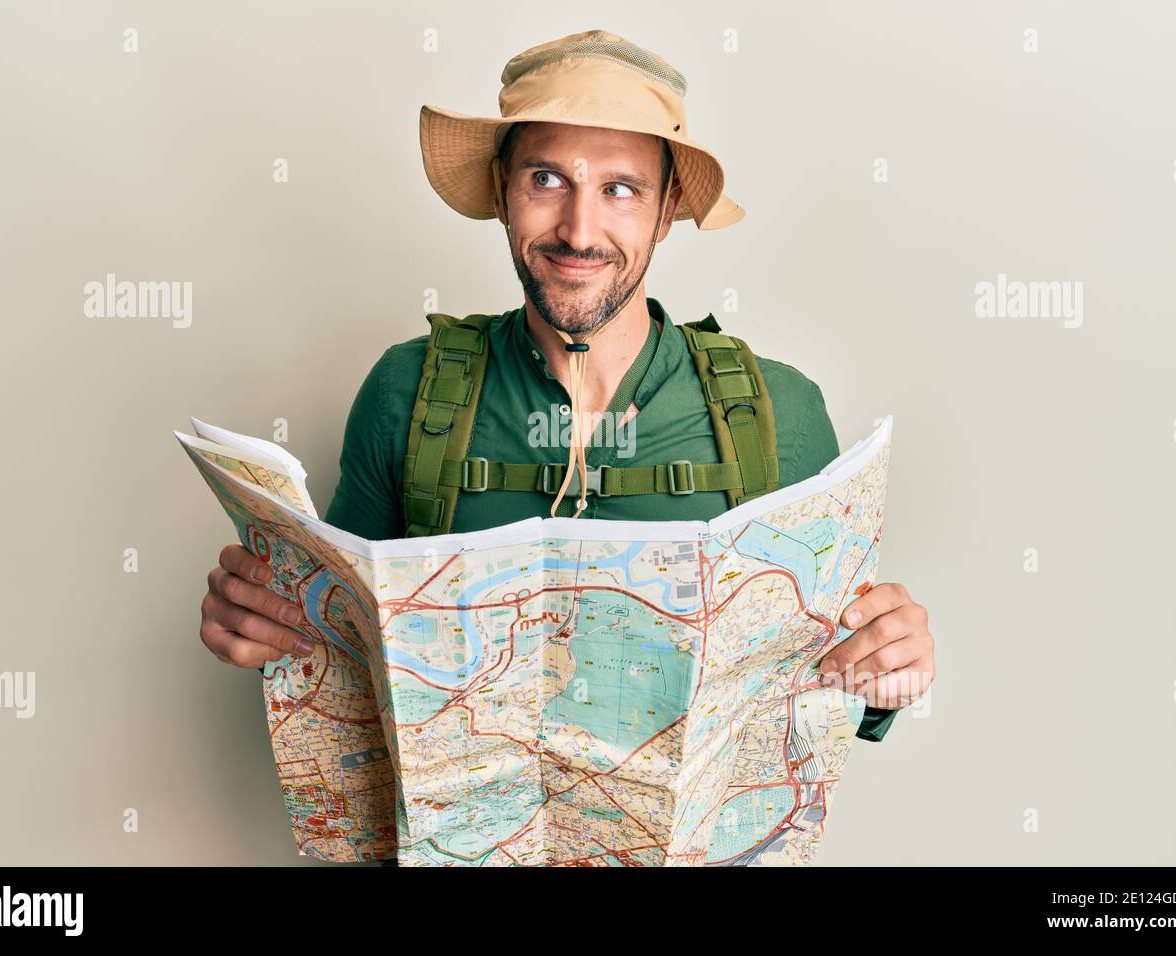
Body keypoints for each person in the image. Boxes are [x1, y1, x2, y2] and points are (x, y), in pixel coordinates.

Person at [198, 29, 934, 743]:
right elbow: (344, 659)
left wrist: (890, 675)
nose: (579, 231)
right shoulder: (406, 391)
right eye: (547, 178)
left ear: (667, 209)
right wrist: (263, 627)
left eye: (620, 189)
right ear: (502, 189)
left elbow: (839, 694)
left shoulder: (782, 413)